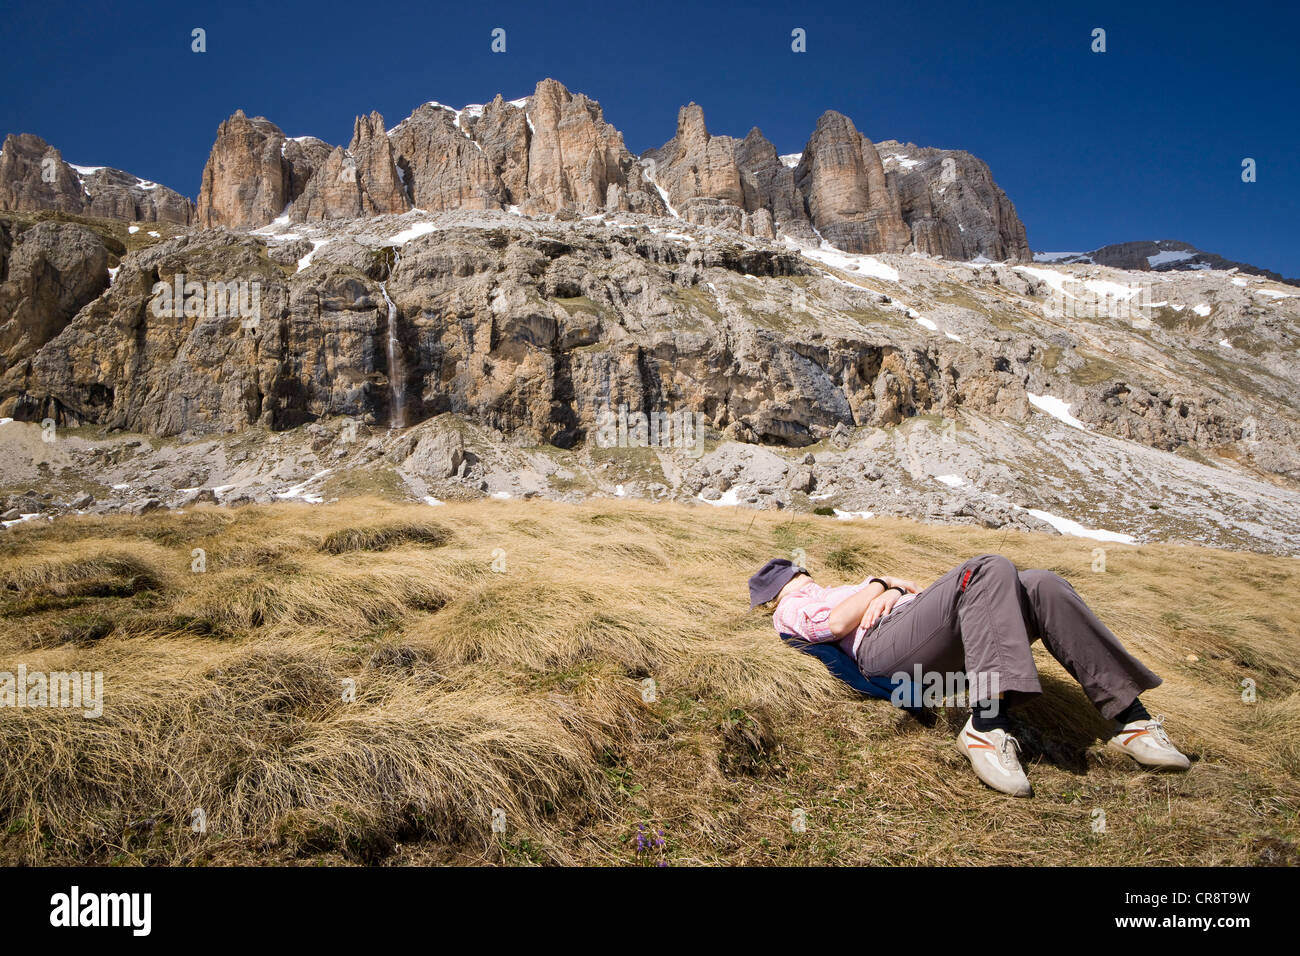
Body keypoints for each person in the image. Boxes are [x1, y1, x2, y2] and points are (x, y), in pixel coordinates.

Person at [748, 555, 1190, 797]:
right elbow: (840, 625)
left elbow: (929, 599)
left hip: (920, 636)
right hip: (885, 651)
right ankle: (987, 724)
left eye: (799, 577)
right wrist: (880, 586)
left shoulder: (827, 589)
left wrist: (894, 589)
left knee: (1042, 583)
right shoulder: (789, 610)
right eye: (790, 583)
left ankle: (1130, 716)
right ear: (775, 601)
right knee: (987, 567)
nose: (800, 583)